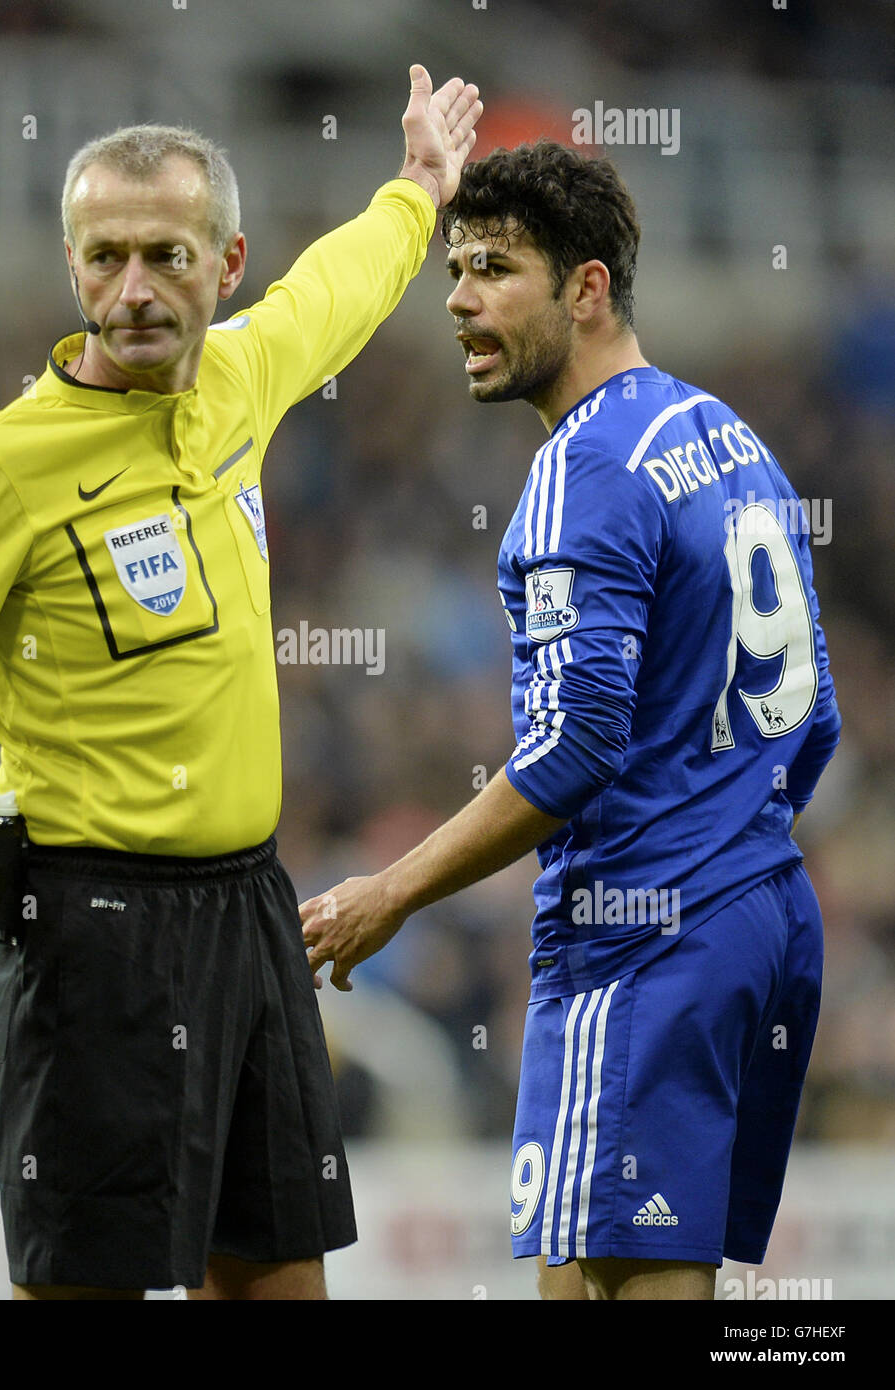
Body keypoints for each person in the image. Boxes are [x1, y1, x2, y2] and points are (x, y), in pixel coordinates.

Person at [0, 66, 482, 1301]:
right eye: (104, 258)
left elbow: (336, 291)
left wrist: (415, 190)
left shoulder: (239, 378)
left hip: (248, 914)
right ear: (72, 268)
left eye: (166, 256)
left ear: (225, 260)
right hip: (89, 936)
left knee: (282, 1282)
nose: (133, 290)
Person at [301, 140, 841, 1302]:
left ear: (586, 288)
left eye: (494, 268)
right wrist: (734, 840)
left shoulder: (583, 469)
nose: (458, 299)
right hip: (761, 915)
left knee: (624, 1276)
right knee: (593, 1267)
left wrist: (386, 891)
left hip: (645, 935)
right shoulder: (731, 438)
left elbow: (575, 748)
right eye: (454, 270)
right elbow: (815, 718)